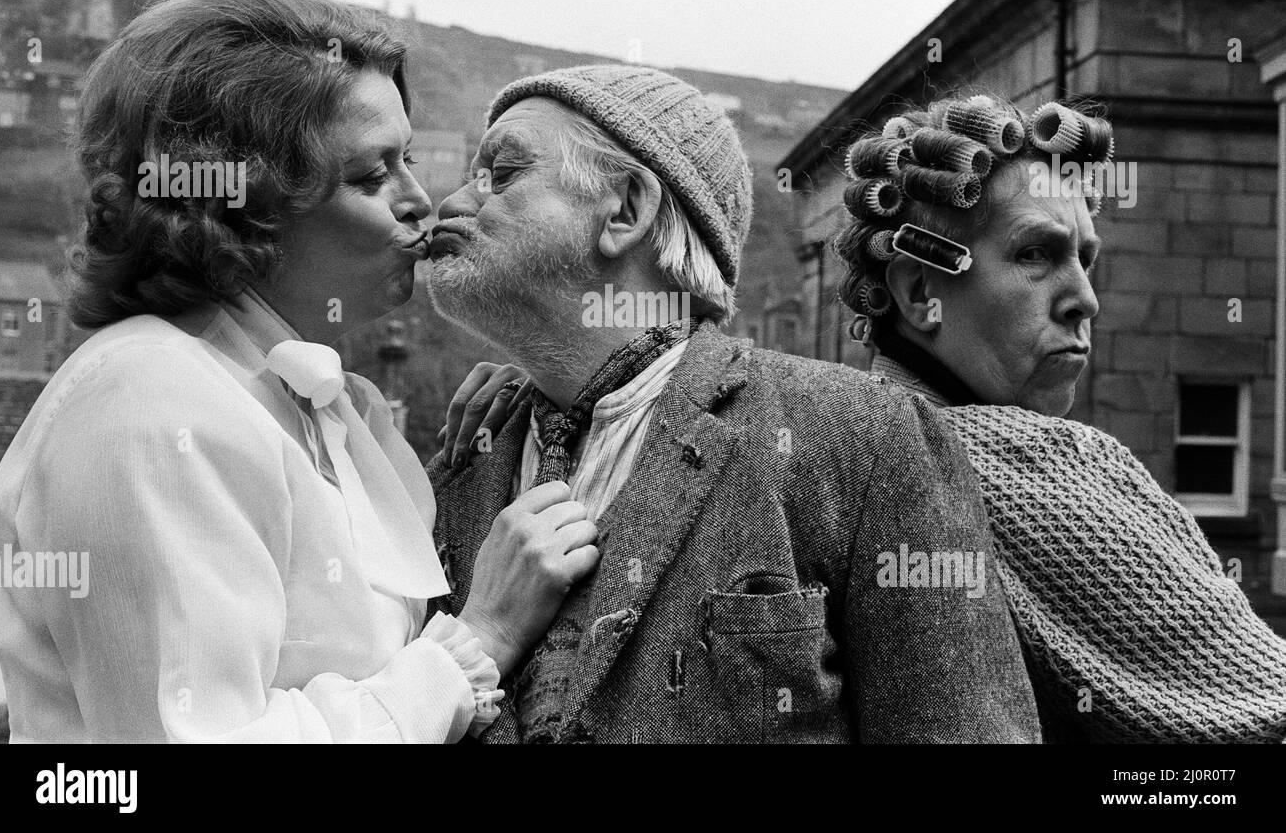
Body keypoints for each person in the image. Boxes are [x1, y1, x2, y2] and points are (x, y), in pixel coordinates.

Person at [0, 0, 599, 743]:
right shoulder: (151, 399)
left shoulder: (336, 410)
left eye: (408, 160)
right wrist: (481, 639)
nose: (421, 201)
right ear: (242, 203)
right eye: (372, 175)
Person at [423, 63, 1041, 743]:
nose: (447, 202)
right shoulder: (452, 466)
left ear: (626, 208)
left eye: (501, 172)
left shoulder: (863, 439)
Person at [831, 93, 1286, 742]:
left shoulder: (847, 449)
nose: (1086, 300)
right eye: (1036, 254)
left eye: (1086, 258)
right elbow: (1268, 703)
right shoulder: (1021, 466)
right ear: (920, 290)